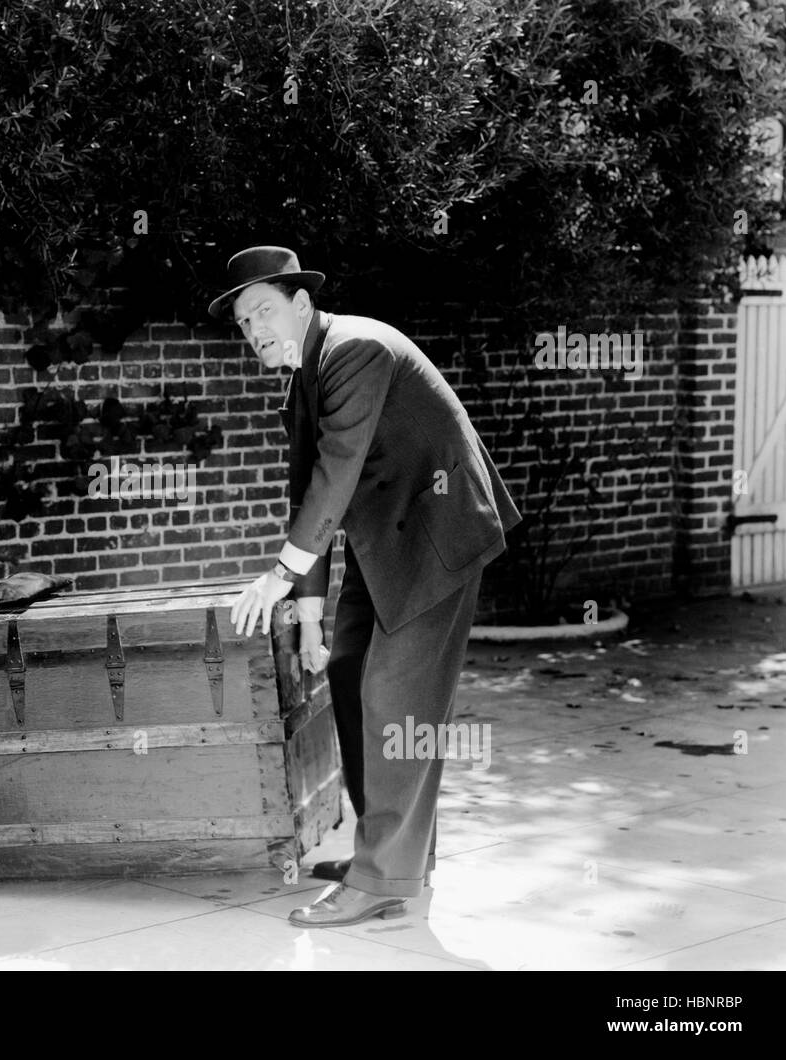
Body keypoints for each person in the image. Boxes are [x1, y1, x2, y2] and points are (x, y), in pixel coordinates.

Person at [214, 246, 521, 927]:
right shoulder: (306, 373)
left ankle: (384, 878)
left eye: (264, 310)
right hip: (388, 539)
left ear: (302, 305)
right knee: (352, 673)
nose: (255, 329)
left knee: (395, 699)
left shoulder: (354, 350)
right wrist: (312, 616)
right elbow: (307, 491)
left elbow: (339, 473)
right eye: (242, 321)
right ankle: (396, 853)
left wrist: (279, 575)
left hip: (439, 534)